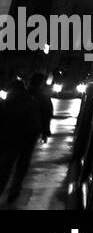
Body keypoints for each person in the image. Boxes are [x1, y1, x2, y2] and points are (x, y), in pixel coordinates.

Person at [0, 74, 51, 205]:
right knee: (23, 162)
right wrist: (45, 131)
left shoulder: (12, 98)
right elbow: (47, 114)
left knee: (7, 163)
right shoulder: (40, 97)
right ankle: (15, 189)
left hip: (12, 135)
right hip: (30, 134)